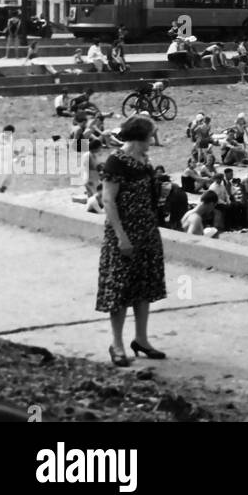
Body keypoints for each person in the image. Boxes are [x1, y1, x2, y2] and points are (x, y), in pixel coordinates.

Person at [96, 116, 168, 366]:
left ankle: (141, 339)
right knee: (120, 290)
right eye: (151, 135)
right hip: (124, 234)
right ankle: (116, 344)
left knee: (143, 287)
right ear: (141, 136)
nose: (153, 139)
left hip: (146, 231)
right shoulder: (116, 161)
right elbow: (108, 201)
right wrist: (121, 237)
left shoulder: (143, 161)